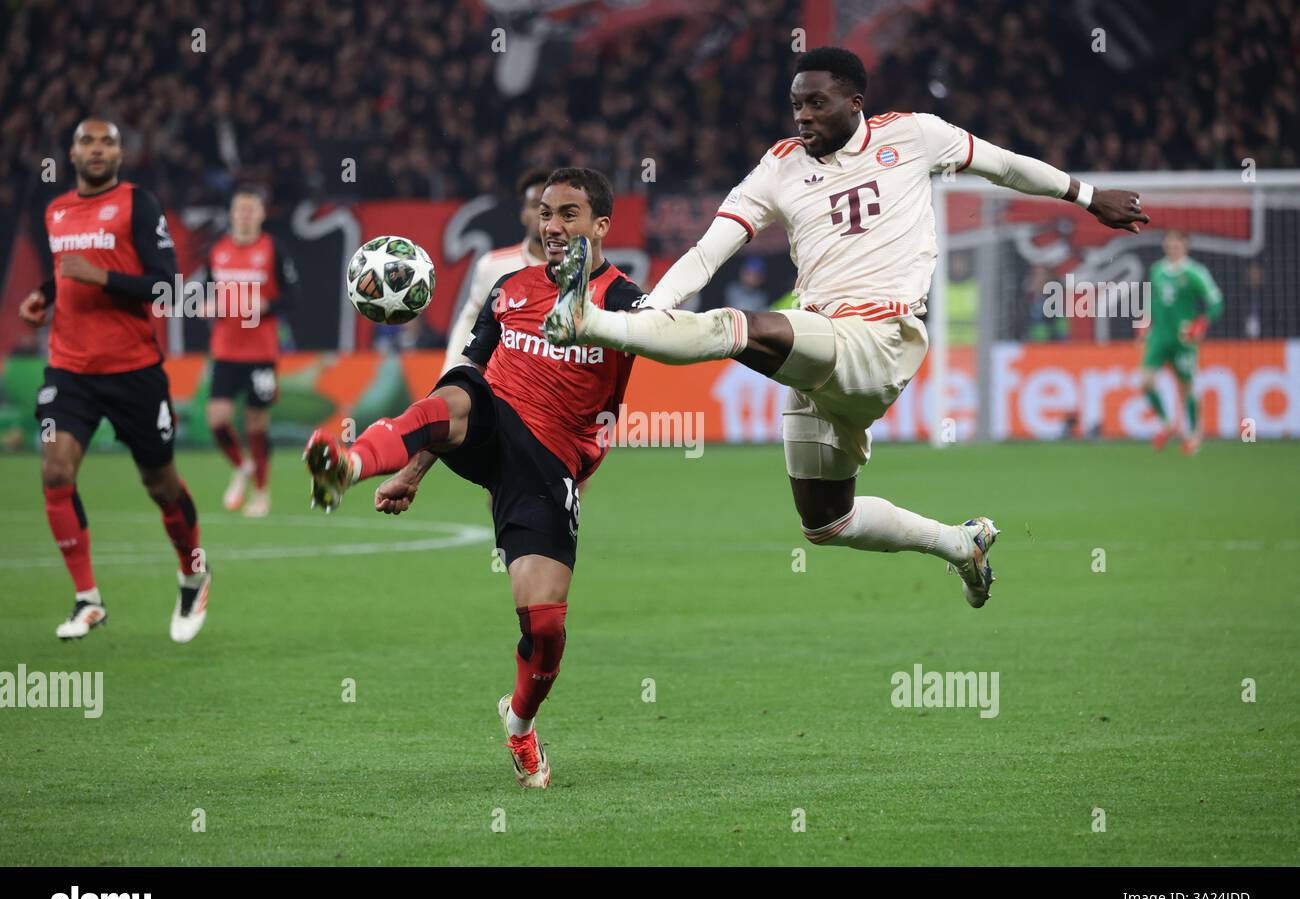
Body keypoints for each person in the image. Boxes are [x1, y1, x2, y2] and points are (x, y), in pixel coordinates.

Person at [545, 47, 1149, 608]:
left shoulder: (914, 135)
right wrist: (655, 306)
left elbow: (1005, 167)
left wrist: (1088, 195)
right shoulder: (778, 167)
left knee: (739, 328)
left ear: (854, 102)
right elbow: (709, 252)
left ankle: (593, 322)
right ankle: (961, 544)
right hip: (822, 352)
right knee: (826, 523)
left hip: (883, 339)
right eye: (795, 105)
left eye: (815, 103)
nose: (802, 116)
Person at [303, 168, 645, 788]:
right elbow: (465, 378)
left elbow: (648, 365)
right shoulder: (509, 289)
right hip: (493, 419)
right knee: (457, 392)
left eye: (570, 214)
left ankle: (519, 724)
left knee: (545, 628)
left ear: (600, 226)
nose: (554, 226)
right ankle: (348, 466)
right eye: (547, 213)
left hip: (550, 462)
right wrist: (412, 471)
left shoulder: (623, 300)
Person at [19, 118, 211, 643]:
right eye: (87, 141)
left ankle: (193, 572)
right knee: (55, 470)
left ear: (121, 154)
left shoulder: (138, 204)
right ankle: (88, 600)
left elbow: (168, 285)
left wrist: (101, 278)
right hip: (69, 372)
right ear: (72, 153)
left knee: (161, 484)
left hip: (134, 373)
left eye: (107, 142)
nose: (97, 149)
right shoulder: (55, 210)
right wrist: (45, 293)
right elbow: (68, 269)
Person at [204, 185, 299, 516]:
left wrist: (267, 305)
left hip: (261, 352)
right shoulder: (218, 250)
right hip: (226, 350)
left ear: (260, 214)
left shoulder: (273, 249)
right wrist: (206, 305)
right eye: (239, 210)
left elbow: (293, 296)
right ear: (231, 214)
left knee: (257, 423)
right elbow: (207, 291)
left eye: (251, 210)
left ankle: (261, 493)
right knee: (217, 420)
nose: (244, 215)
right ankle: (242, 466)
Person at [440, 169, 550, 378]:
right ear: (523, 214)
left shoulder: (582, 272)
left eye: (550, 207)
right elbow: (470, 322)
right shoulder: (494, 266)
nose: (542, 214)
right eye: (536, 205)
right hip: (502, 388)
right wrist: (449, 376)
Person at [1138, 229, 1222, 454]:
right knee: (1145, 381)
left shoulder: (1195, 272)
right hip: (1159, 336)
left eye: (1177, 243)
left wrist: (1201, 323)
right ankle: (1166, 424)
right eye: (1169, 243)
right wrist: (1145, 323)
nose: (1172, 247)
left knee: (1185, 387)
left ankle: (1195, 434)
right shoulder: (1157, 270)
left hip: (1183, 339)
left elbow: (1215, 302)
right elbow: (1153, 301)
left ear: (1185, 246)